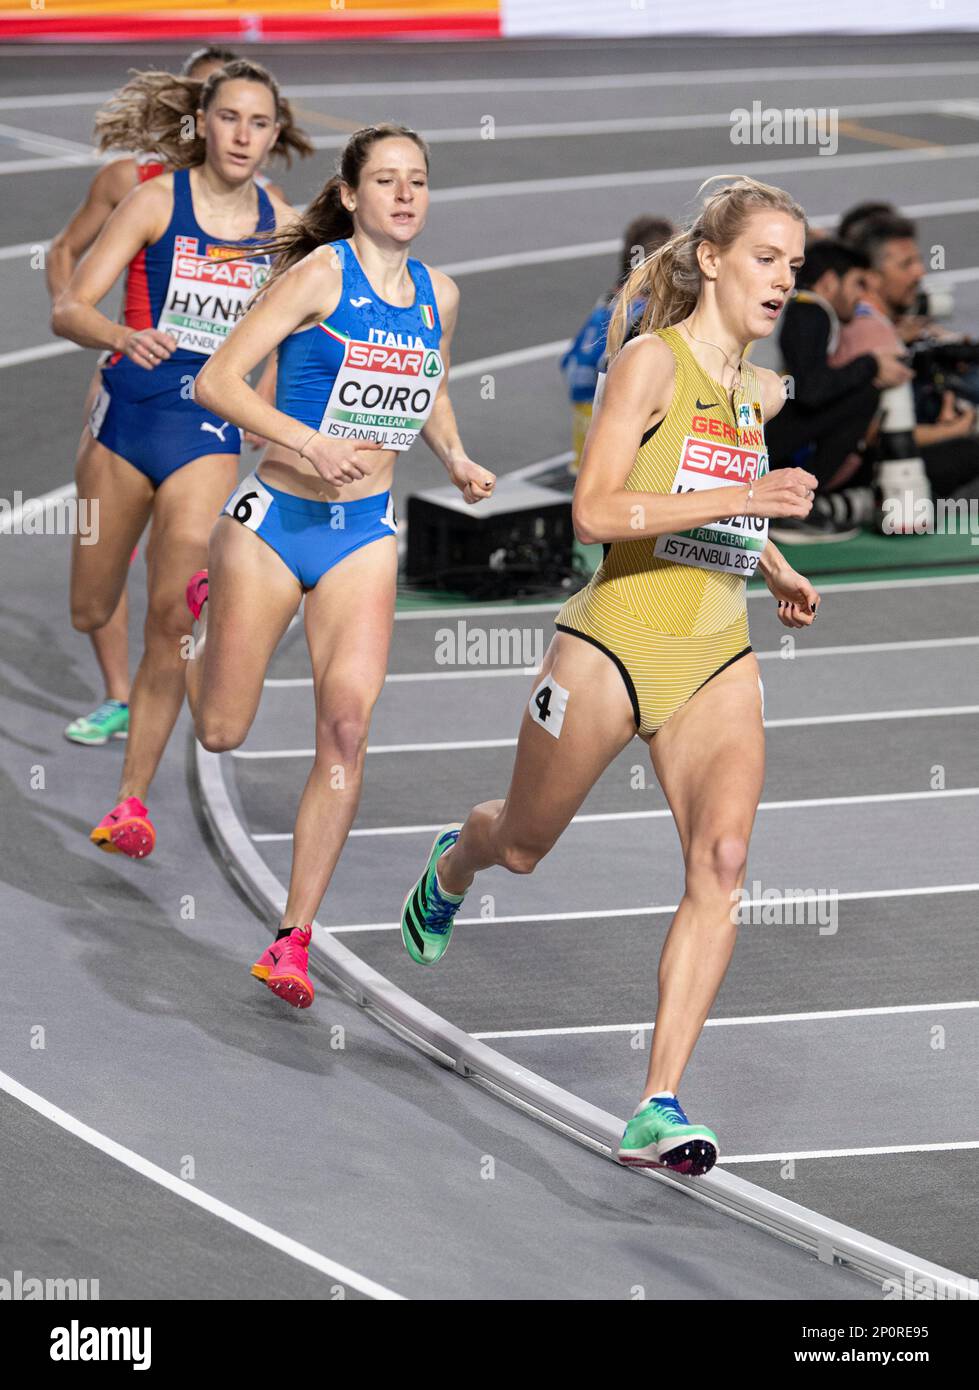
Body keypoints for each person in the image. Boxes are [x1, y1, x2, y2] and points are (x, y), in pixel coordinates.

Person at [400, 176, 821, 1178]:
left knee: (721, 864)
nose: (782, 280)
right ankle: (459, 856)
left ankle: (657, 1100)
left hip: (715, 647)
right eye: (766, 258)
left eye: (795, 266)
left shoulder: (756, 387)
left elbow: (710, 501)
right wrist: (750, 489)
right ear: (713, 260)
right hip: (610, 641)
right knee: (525, 844)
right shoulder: (650, 361)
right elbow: (594, 512)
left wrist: (773, 561)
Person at [184, 123, 496, 1009]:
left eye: (419, 181)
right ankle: (208, 610)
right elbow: (219, 381)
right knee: (220, 732)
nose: (405, 195)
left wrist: (456, 454)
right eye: (387, 181)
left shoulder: (441, 291)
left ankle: (292, 938)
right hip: (275, 520)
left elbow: (425, 379)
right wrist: (307, 442)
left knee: (348, 730)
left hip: (362, 531)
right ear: (352, 196)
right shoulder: (319, 276)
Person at [52, 59, 300, 857]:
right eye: (229, 118)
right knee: (92, 606)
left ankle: (131, 802)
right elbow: (69, 305)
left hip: (206, 426)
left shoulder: (281, 224)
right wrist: (123, 335)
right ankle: (147, 633)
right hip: (127, 416)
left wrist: (260, 389)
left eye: (259, 123)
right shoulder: (157, 200)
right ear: (203, 123)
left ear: (273, 135)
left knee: (170, 612)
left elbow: (300, 319)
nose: (243, 136)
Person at [765, 237, 913, 543]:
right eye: (858, 284)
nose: (863, 296)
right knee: (865, 396)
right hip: (744, 429)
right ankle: (793, 505)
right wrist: (870, 366)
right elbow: (810, 391)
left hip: (738, 422)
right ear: (830, 282)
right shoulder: (809, 308)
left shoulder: (792, 307)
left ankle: (788, 498)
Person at [835, 214, 979, 505]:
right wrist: (951, 430)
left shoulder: (868, 321)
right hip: (868, 472)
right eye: (906, 265)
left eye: (918, 261)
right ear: (872, 277)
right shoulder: (872, 334)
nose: (920, 273)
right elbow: (873, 435)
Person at [561, 216, 675, 473]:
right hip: (612, 459)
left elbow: (571, 363)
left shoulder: (609, 300)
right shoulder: (649, 314)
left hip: (585, 449)